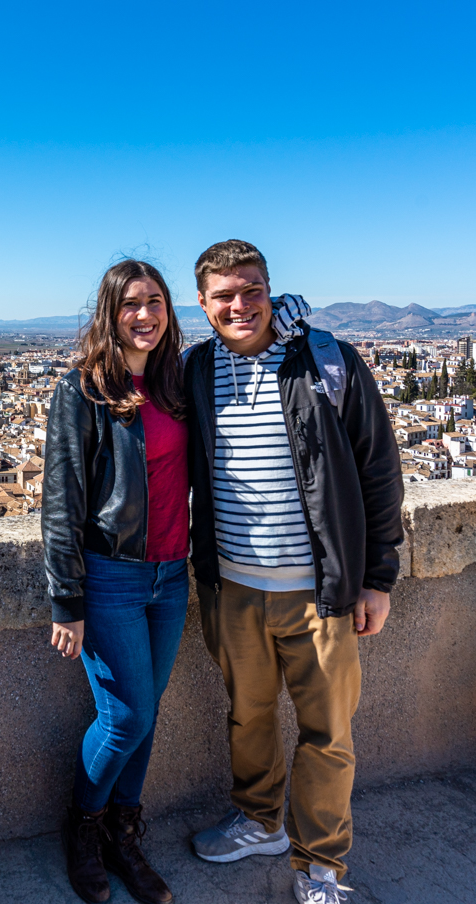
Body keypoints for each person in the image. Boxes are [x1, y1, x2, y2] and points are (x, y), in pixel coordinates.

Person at [184, 240, 402, 904]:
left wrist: (378, 578)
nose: (240, 305)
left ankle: (321, 868)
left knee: (327, 734)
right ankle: (259, 821)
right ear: (203, 304)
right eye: (224, 294)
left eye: (252, 289)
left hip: (320, 592)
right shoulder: (194, 369)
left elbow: (378, 467)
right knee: (246, 717)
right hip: (232, 588)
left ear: (271, 290)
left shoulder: (323, 359)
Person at [43, 259, 189, 904]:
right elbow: (61, 500)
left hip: (173, 574)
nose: (145, 315)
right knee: (126, 716)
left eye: (155, 301)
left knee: (147, 715)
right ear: (110, 311)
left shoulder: (175, 383)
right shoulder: (84, 390)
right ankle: (84, 827)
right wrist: (66, 600)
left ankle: (124, 836)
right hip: (111, 577)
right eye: (131, 303)